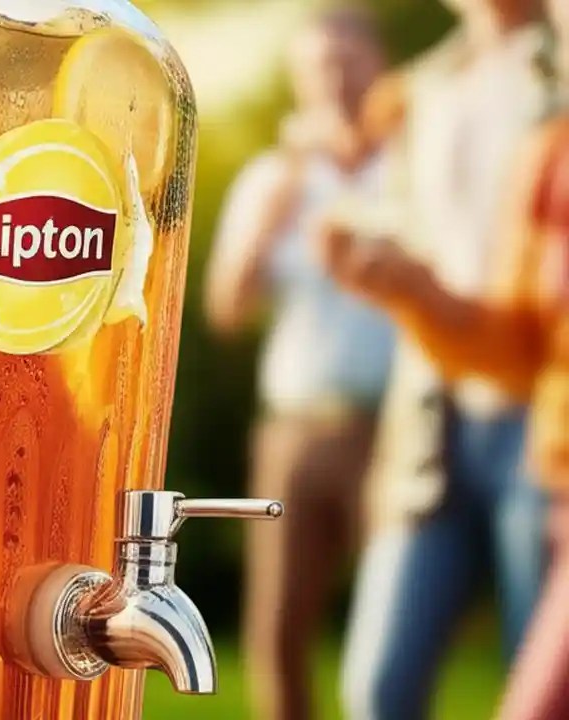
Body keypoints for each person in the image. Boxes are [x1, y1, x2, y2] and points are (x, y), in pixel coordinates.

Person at [322, 0, 569, 714]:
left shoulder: (550, 84)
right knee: (378, 687)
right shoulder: (419, 91)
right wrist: (397, 280)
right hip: (440, 398)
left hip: (539, 418)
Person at [204, 8, 394, 720]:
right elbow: (227, 309)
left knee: (391, 625)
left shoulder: (406, 168)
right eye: (319, 69)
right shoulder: (272, 179)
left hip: (393, 428)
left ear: (374, 63)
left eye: (347, 63)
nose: (336, 82)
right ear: (300, 82)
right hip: (296, 429)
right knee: (278, 625)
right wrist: (268, 220)